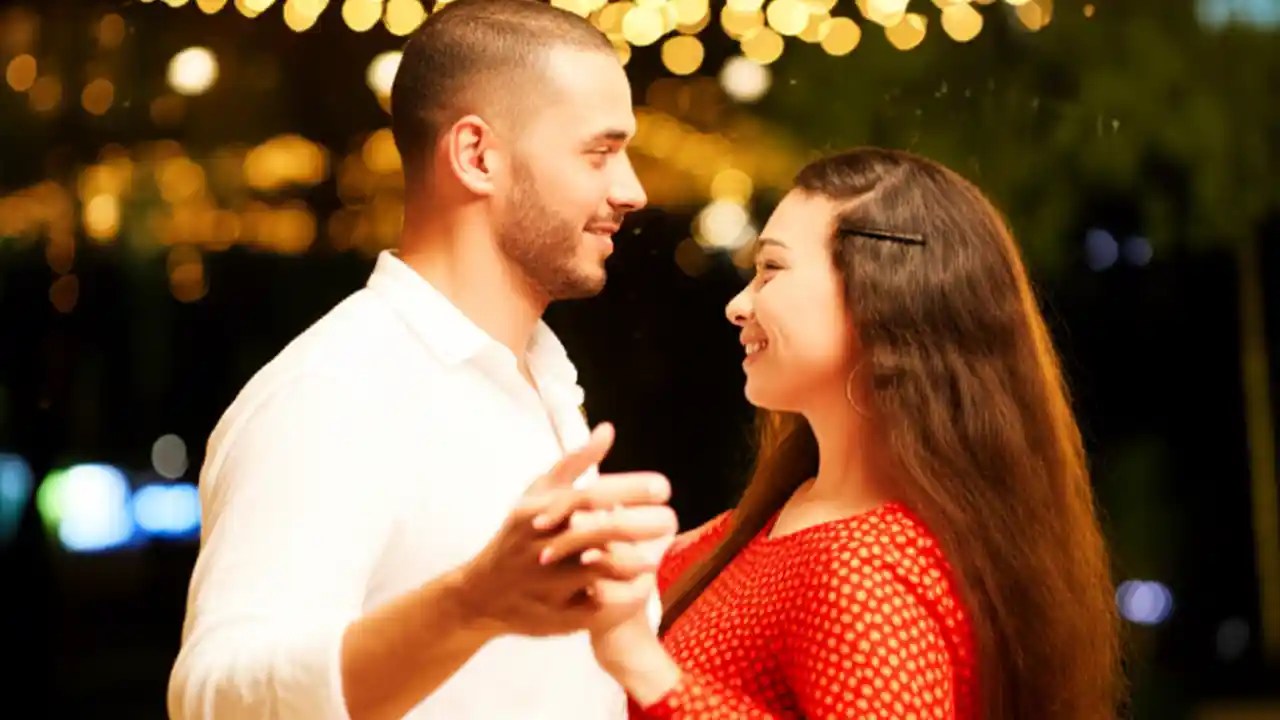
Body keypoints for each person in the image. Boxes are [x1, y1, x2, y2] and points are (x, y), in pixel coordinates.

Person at [166, 1, 676, 718]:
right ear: (476, 156)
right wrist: (471, 602)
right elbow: (213, 698)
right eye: (599, 152)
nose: (632, 190)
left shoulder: (541, 378)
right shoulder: (332, 392)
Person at [571, 147, 1123, 719]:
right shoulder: (795, 513)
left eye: (772, 269)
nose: (739, 304)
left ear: (881, 296)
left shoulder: (864, 570)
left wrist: (644, 667)